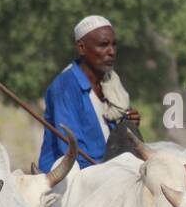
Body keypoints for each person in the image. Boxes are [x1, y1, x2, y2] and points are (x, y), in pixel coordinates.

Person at [38, 15, 141, 171]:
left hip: (107, 171)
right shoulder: (65, 87)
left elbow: (111, 141)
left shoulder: (111, 84)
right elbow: (71, 152)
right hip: (72, 180)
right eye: (103, 45)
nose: (111, 51)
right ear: (81, 48)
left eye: (114, 44)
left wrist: (127, 125)